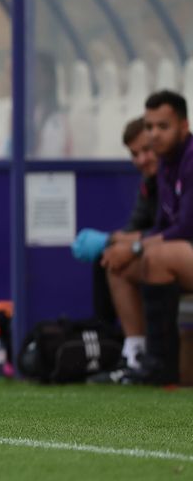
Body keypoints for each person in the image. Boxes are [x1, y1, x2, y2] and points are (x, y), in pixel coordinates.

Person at [102, 90, 193, 385]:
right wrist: (127, 247)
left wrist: (137, 246)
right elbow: (160, 226)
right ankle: (136, 355)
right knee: (117, 260)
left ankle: (162, 365)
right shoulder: (166, 165)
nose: (154, 135)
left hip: (186, 249)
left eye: (162, 127)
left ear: (184, 126)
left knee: (154, 255)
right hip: (183, 254)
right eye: (150, 126)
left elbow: (184, 229)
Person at [73, 117, 158, 375]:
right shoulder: (149, 183)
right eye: (135, 154)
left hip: (176, 254)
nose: (142, 159)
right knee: (111, 259)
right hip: (161, 251)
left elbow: (175, 232)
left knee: (118, 256)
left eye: (147, 150)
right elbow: (136, 229)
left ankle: (151, 356)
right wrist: (114, 243)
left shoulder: (180, 173)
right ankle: (124, 347)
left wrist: (115, 240)